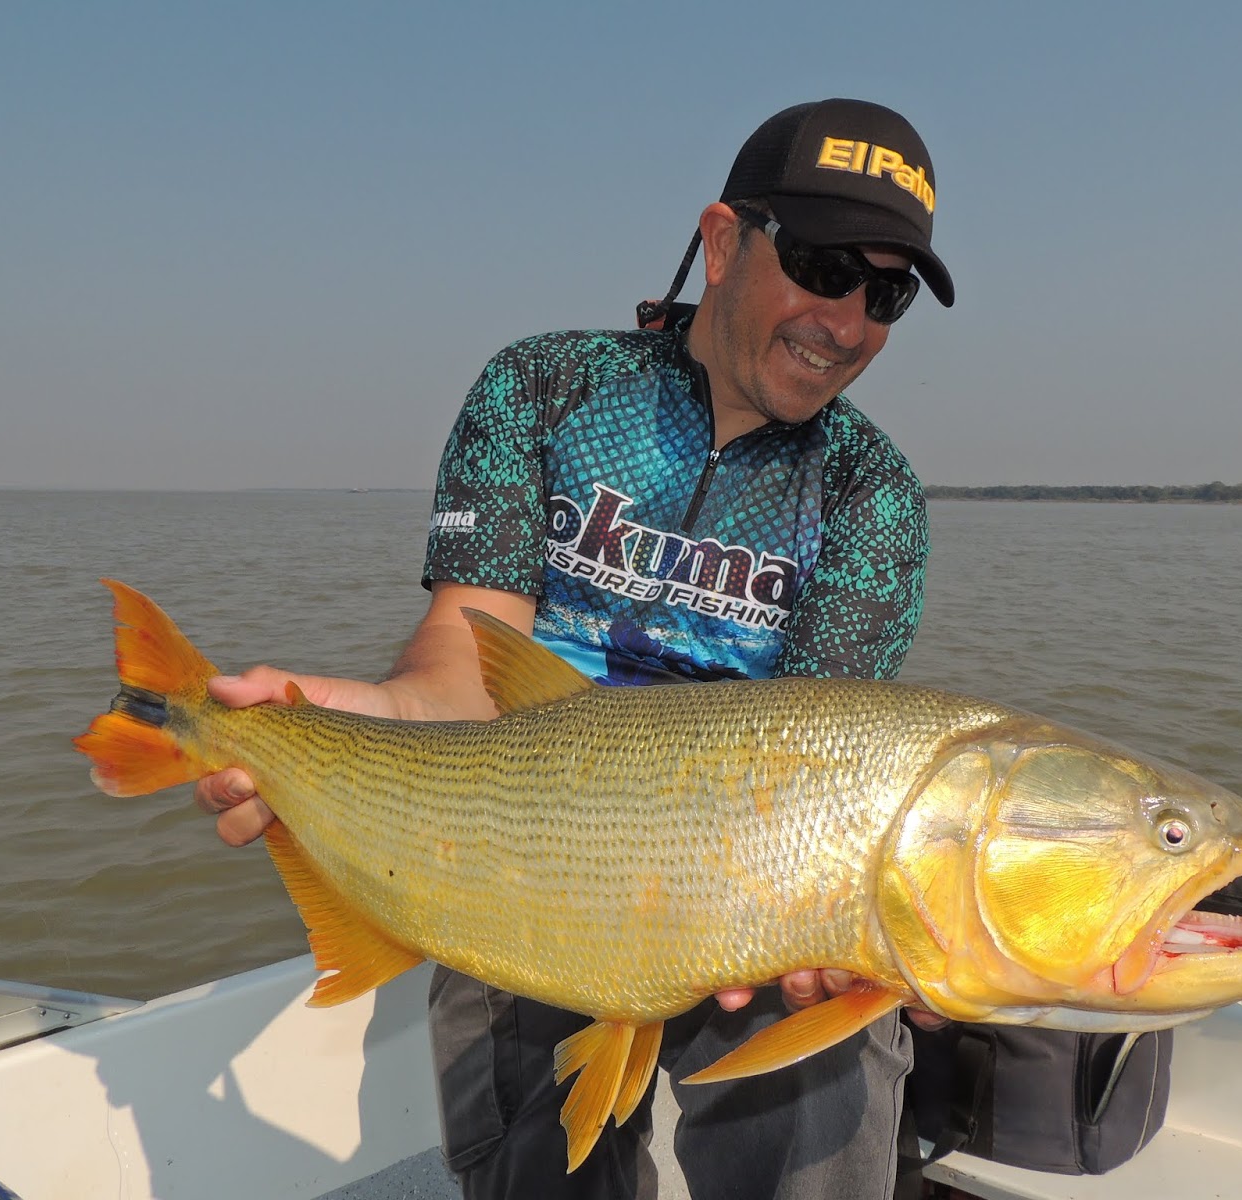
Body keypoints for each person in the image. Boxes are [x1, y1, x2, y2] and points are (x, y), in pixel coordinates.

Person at [194, 97, 955, 1199]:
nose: (845, 320)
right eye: (824, 264)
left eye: (882, 292)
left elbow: (818, 770)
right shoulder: (542, 390)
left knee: (830, 1093)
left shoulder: (871, 494)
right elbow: (467, 656)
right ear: (724, 239)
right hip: (523, 852)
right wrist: (355, 722)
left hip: (744, 889)